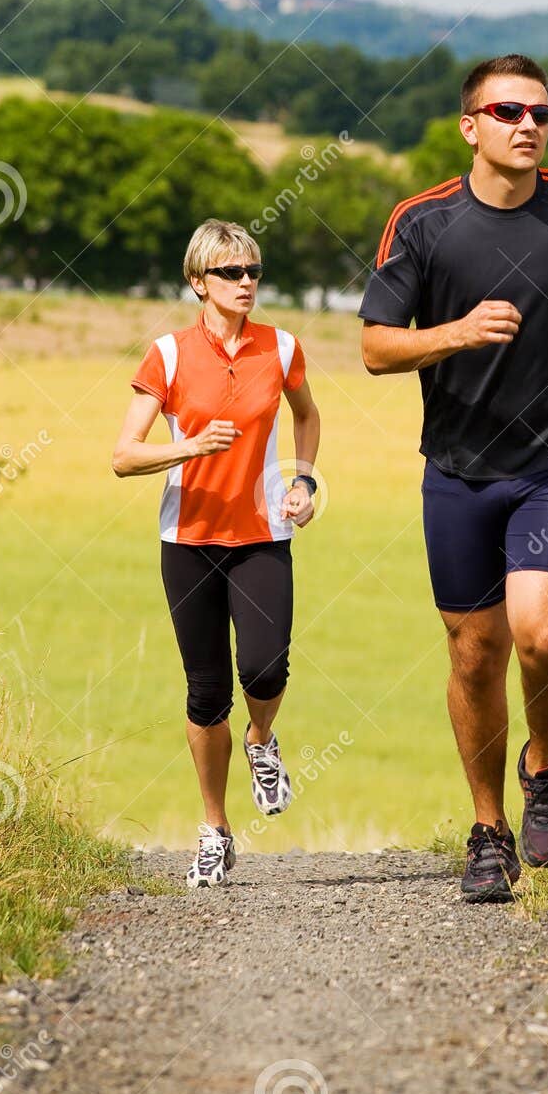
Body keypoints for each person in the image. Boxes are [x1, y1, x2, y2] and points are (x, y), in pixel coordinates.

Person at [358, 55, 548, 903]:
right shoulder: (422, 223)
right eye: (509, 111)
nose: (528, 125)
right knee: (473, 652)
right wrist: (453, 333)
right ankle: (488, 830)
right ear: (470, 126)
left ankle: (543, 763)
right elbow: (376, 345)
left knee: (539, 637)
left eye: (541, 114)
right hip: (456, 471)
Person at [113, 218, 320, 889]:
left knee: (263, 666)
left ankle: (262, 740)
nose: (247, 283)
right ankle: (214, 828)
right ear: (198, 281)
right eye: (231, 273)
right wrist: (188, 447)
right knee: (206, 692)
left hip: (262, 532)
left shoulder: (281, 346)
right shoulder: (167, 356)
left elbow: (306, 415)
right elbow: (123, 456)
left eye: (253, 271)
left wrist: (304, 480)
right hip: (189, 539)